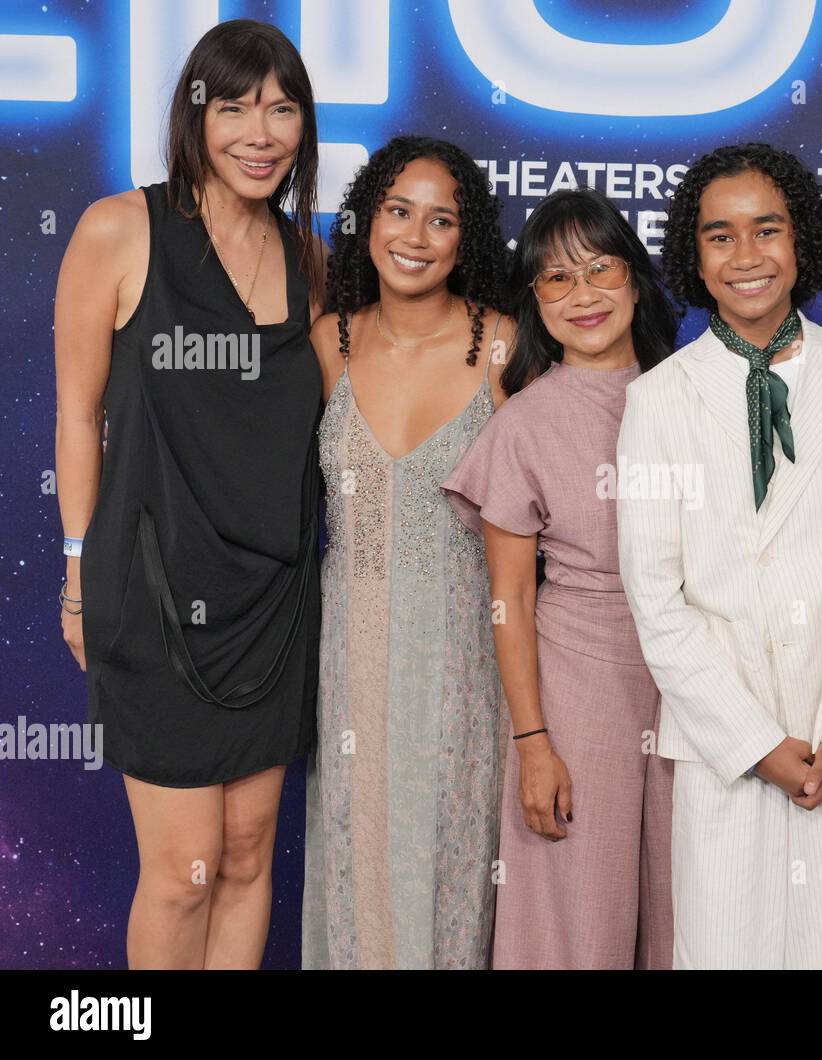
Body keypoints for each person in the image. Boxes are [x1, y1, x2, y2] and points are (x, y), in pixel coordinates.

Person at [53, 19, 325, 969]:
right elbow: (77, 417)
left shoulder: (310, 259)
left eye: (283, 108)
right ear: (195, 115)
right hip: (155, 591)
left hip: (275, 605)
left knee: (249, 859)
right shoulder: (120, 228)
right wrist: (79, 572)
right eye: (238, 105)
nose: (262, 130)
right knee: (184, 872)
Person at [618, 143, 822, 969]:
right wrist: (753, 741)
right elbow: (655, 594)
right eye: (720, 236)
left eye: (767, 230)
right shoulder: (657, 400)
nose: (746, 257)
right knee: (721, 948)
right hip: (727, 743)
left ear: (803, 242)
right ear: (694, 254)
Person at [442, 187, 679, 969]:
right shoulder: (524, 422)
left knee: (689, 913)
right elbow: (508, 599)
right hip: (581, 692)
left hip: (698, 691)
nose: (582, 296)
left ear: (635, 280)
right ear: (534, 300)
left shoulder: (691, 396)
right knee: (578, 917)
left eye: (600, 269)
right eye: (555, 279)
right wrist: (535, 745)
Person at [301, 136, 512, 969]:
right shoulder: (328, 346)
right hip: (349, 671)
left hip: (469, 672)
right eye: (398, 210)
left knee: (459, 879)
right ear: (366, 221)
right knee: (359, 881)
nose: (416, 236)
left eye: (441, 219)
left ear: (468, 239)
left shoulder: (505, 348)